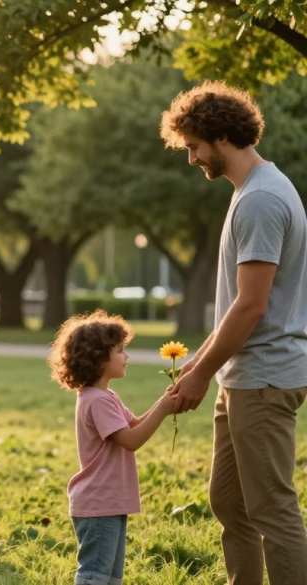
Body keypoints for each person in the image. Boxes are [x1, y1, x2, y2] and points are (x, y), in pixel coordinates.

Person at [162, 80, 307, 583]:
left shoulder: (261, 201)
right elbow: (234, 307)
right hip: (243, 378)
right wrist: (200, 367)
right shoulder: (251, 192)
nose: (192, 158)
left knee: (272, 510)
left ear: (220, 136)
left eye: (193, 147)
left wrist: (200, 375)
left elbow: (250, 306)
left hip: (265, 379)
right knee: (229, 502)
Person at [48, 310, 175, 585]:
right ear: (97, 357)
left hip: (109, 501)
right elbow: (131, 441)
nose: (126, 356)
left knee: (111, 576)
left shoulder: (106, 396)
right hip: (99, 502)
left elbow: (134, 425)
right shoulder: (97, 401)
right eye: (119, 350)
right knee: (94, 575)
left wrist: (164, 401)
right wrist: (164, 410)